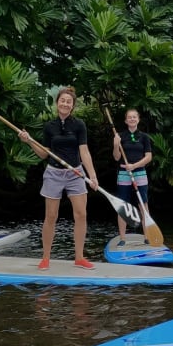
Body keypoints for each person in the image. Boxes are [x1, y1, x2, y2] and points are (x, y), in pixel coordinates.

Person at [17, 86, 100, 270]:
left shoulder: (79, 125)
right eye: (62, 100)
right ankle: (46, 257)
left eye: (68, 102)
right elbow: (43, 154)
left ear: (72, 106)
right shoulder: (49, 127)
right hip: (54, 173)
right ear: (57, 103)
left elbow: (84, 152)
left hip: (76, 173)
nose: (65, 104)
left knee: (81, 214)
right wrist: (29, 140)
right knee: (51, 216)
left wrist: (92, 176)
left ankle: (79, 257)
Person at [111, 108, 153, 242]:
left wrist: (134, 166)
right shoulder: (120, 136)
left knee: (143, 204)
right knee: (123, 204)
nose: (132, 119)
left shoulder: (144, 137)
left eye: (134, 117)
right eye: (130, 117)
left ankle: (147, 236)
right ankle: (122, 238)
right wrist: (116, 145)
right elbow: (117, 158)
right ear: (126, 120)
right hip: (124, 173)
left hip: (140, 173)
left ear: (138, 119)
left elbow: (148, 157)